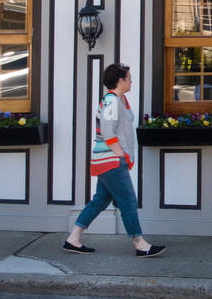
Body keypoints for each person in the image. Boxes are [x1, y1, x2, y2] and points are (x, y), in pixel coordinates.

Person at [64, 63, 165, 257]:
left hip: (109, 160)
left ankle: (73, 239)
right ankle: (140, 244)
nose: (131, 81)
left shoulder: (120, 100)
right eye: (128, 78)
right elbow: (109, 133)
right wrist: (122, 155)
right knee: (128, 201)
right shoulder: (111, 102)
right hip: (111, 160)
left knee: (100, 201)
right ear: (120, 81)